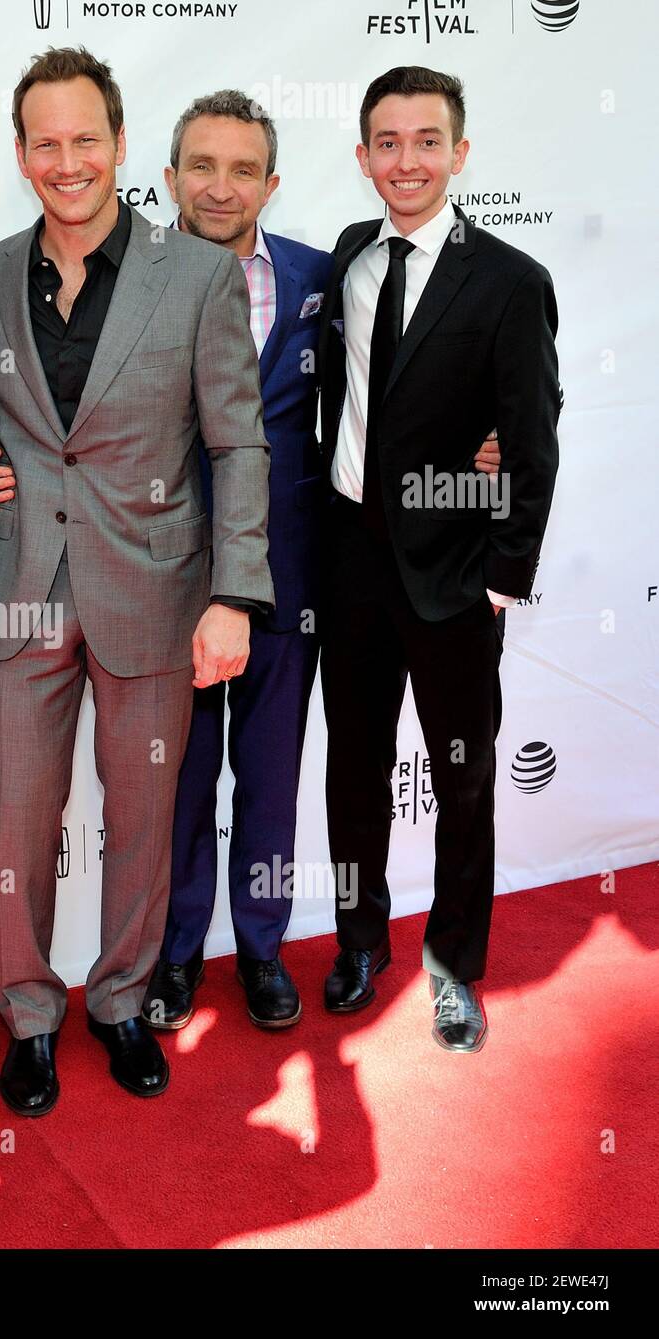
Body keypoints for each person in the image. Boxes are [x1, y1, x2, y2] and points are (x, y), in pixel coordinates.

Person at [0, 47, 272, 1116]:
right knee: (17, 820)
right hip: (23, 590)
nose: (66, 160)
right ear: (19, 155)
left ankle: (123, 1000)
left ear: (121, 144)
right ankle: (28, 1014)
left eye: (84, 138)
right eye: (43, 142)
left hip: (153, 586)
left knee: (144, 816)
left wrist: (234, 592)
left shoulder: (193, 274)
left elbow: (237, 444)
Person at [317, 67, 559, 1050]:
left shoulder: (509, 279)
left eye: (426, 141)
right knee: (352, 770)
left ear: (459, 155)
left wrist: (502, 576)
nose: (404, 159)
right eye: (386, 140)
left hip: (454, 575)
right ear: (363, 155)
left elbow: (532, 439)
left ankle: (455, 963)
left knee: (461, 777)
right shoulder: (346, 257)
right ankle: (357, 939)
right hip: (348, 559)